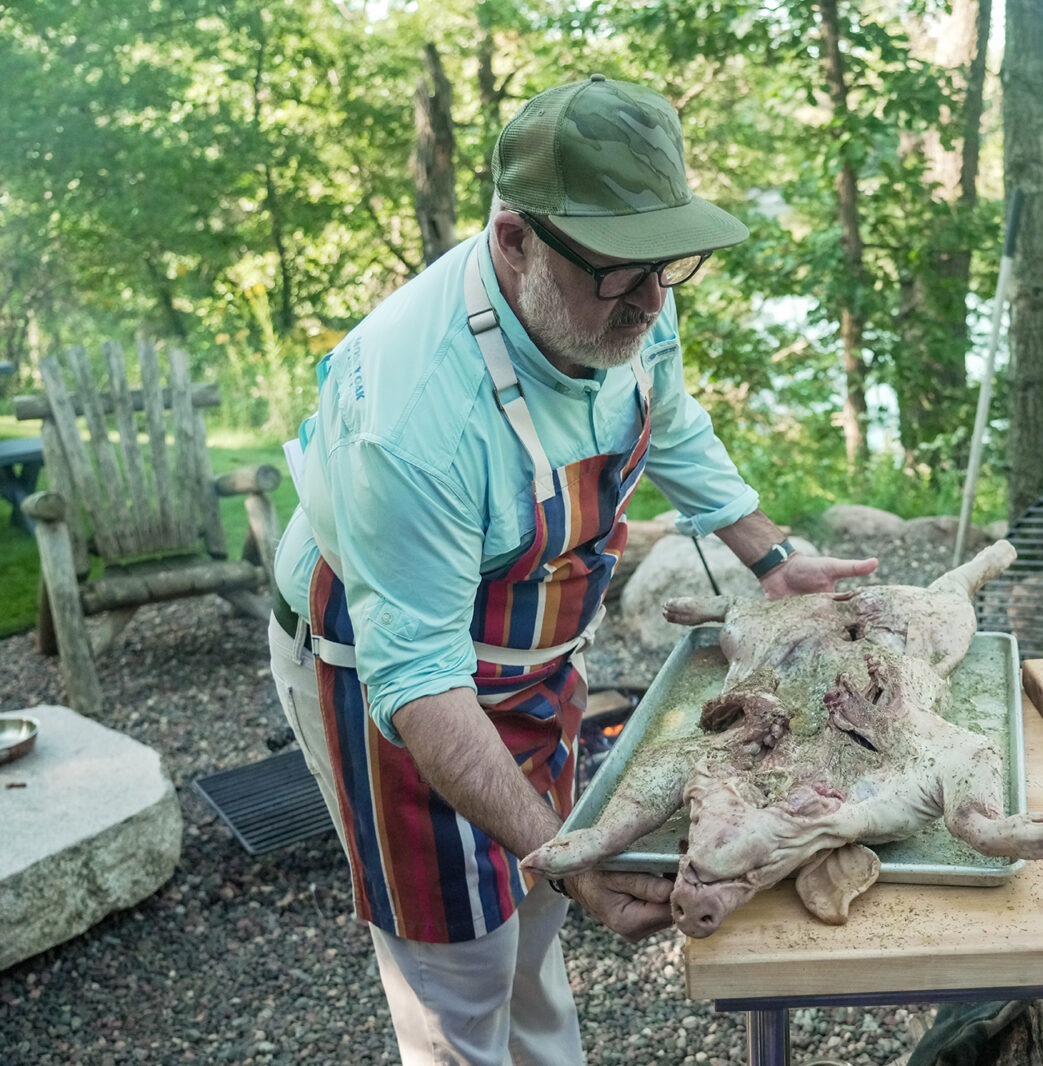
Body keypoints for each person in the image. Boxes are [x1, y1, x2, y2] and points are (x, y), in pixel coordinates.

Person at [267, 73, 877, 1065]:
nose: (648, 299)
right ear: (513, 238)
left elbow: (669, 420)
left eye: (666, 263)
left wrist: (770, 557)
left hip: (532, 653)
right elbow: (419, 685)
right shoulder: (418, 417)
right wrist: (571, 859)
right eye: (618, 273)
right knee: (461, 973)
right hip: (383, 668)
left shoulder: (621, 291)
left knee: (531, 941)